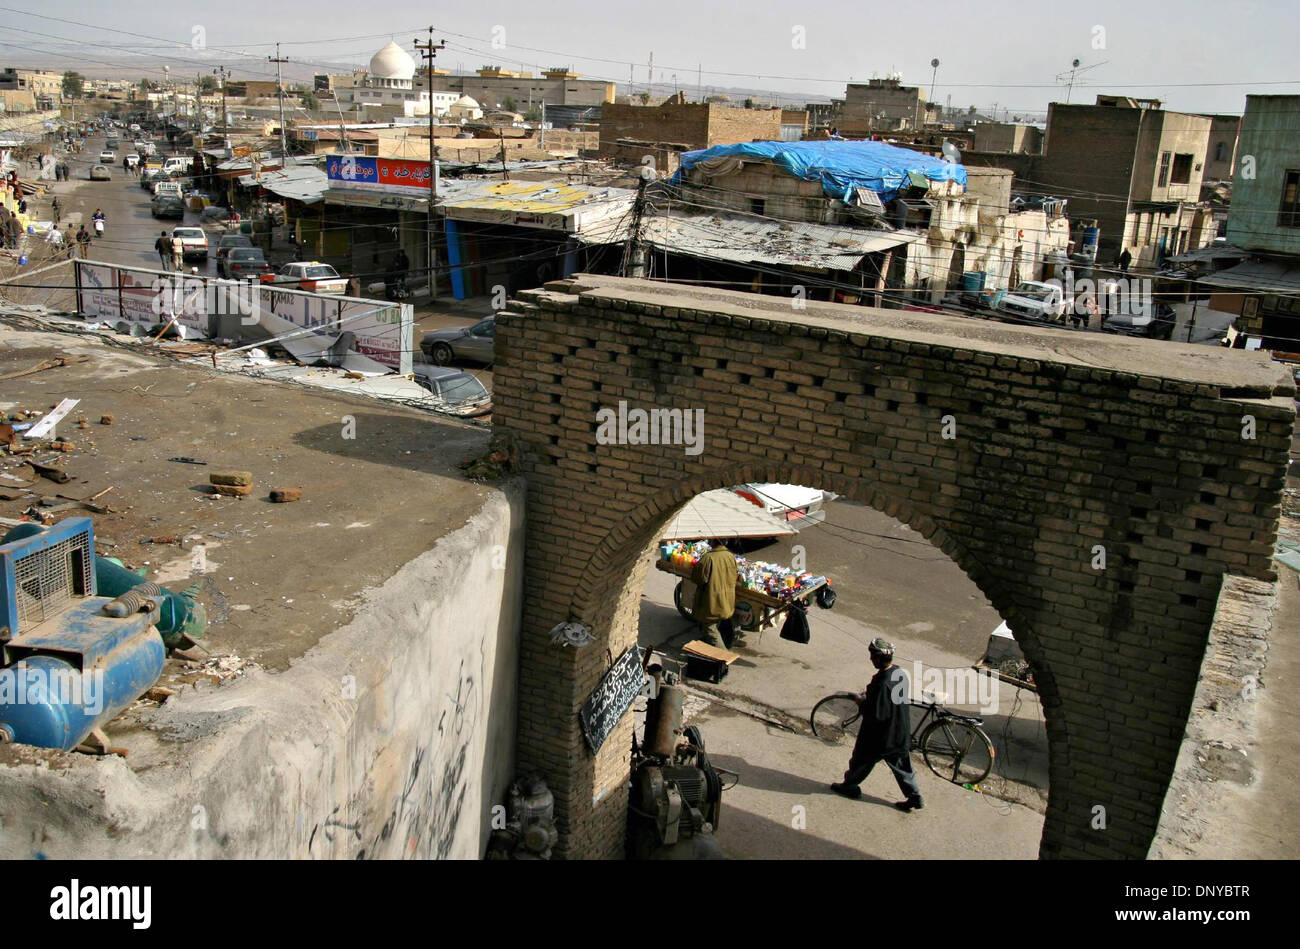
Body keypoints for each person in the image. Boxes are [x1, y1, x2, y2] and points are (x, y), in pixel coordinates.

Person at [830, 638, 925, 813]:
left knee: (860, 761)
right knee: (902, 767)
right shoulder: (899, 674)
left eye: (872, 656)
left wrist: (861, 702)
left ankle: (849, 786)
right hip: (900, 732)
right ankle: (914, 796)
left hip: (879, 737)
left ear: (879, 658)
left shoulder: (882, 684)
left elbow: (876, 714)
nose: (871, 659)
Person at [690, 538, 738, 649]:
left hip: (712, 602)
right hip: (727, 600)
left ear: (713, 542)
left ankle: (723, 657)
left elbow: (699, 579)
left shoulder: (708, 558)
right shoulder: (731, 557)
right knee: (715, 625)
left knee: (710, 630)